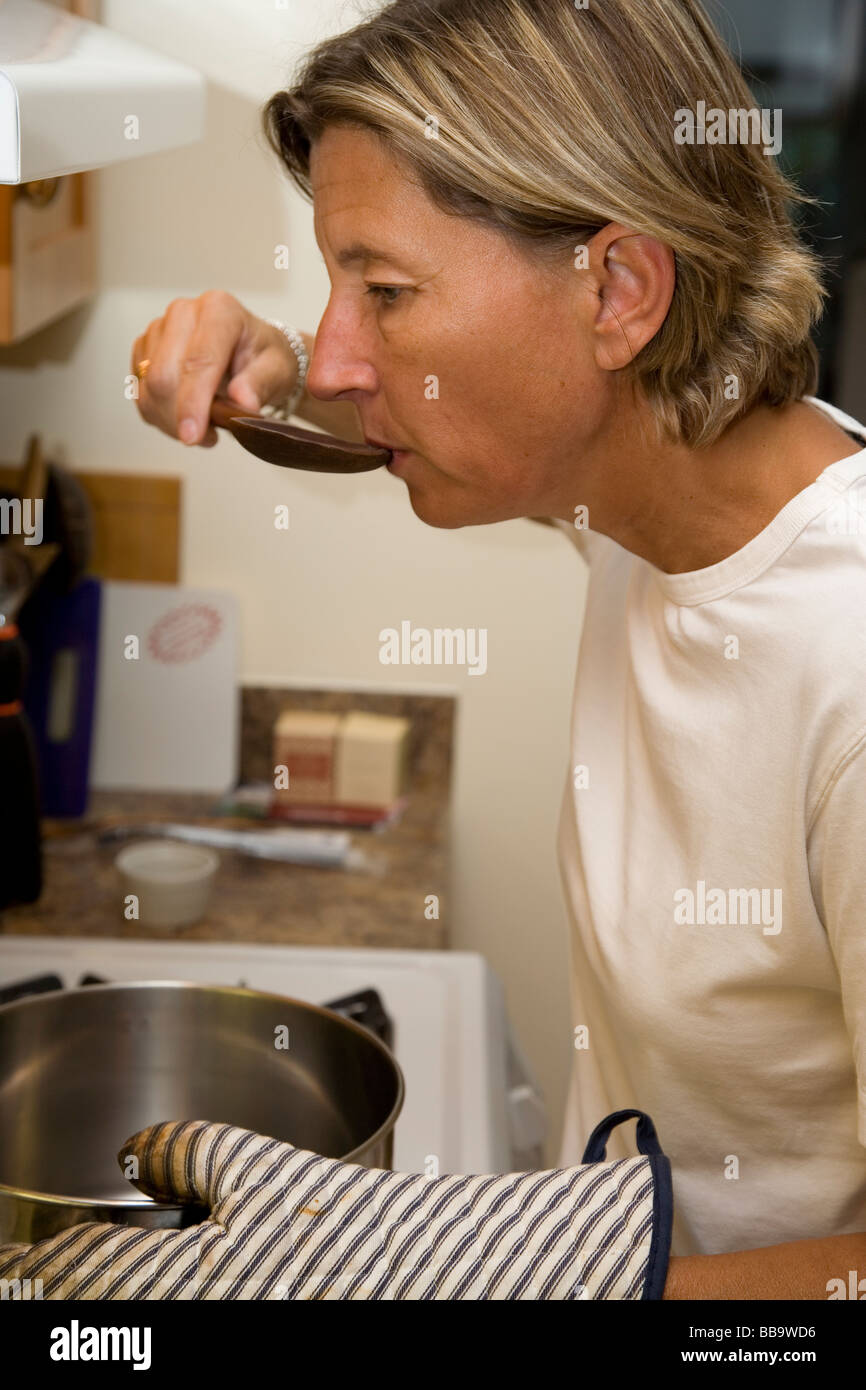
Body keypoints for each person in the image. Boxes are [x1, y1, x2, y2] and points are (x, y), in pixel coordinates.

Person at [3, 0, 865, 1299]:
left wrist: (488, 1283)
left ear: (617, 291)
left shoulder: (845, 663)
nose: (340, 345)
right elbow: (446, 427)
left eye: (386, 289)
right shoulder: (655, 488)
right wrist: (275, 366)